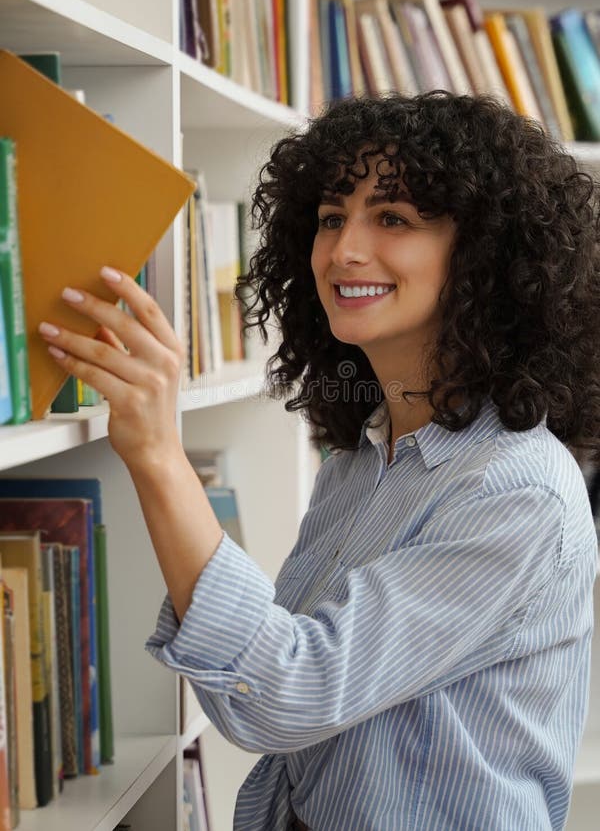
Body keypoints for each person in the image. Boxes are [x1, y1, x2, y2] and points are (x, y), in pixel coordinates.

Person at [38, 91, 600, 831]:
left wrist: (157, 453)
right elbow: (274, 694)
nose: (344, 251)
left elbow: (283, 693)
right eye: (332, 217)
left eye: (392, 219)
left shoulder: (517, 494)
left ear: (487, 256)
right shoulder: (363, 458)